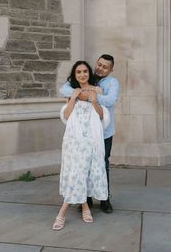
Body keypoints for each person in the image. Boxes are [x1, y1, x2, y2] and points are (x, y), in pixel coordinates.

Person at [52, 61, 109, 230]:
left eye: (85, 71)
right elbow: (67, 116)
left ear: (88, 73)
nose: (82, 74)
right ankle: (84, 207)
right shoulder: (72, 91)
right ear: (75, 75)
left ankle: (62, 213)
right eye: (78, 72)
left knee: (82, 171)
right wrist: (73, 99)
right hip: (74, 139)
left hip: (91, 139)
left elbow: (101, 116)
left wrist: (94, 101)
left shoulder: (97, 90)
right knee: (77, 171)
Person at [59, 54, 119, 213]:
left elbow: (110, 101)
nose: (101, 68)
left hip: (104, 132)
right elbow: (64, 89)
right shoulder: (85, 77)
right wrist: (79, 93)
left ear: (111, 69)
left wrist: (89, 96)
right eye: (99, 64)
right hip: (81, 135)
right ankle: (86, 199)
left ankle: (105, 199)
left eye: (105, 67)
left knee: (102, 164)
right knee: (83, 165)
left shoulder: (111, 83)